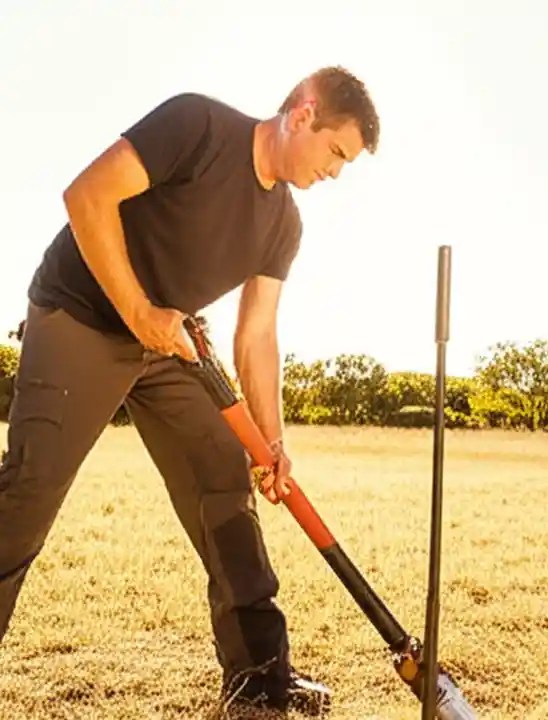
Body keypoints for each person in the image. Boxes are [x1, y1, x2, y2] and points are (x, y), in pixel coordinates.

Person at [0, 66, 476, 718]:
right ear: (303, 113)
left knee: (225, 483)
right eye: (336, 152)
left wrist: (270, 439)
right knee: (30, 490)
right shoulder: (197, 126)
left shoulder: (283, 223)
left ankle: (259, 675)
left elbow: (257, 336)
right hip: (79, 316)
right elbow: (85, 196)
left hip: (169, 344)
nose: (335, 173)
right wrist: (140, 314)